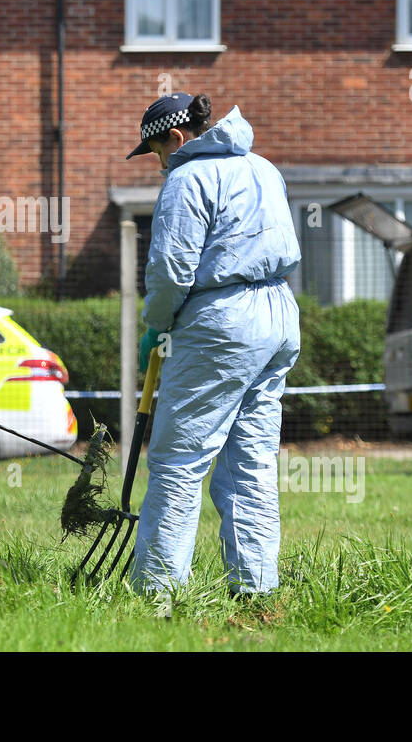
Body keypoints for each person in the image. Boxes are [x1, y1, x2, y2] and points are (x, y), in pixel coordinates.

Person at [126, 92, 301, 596]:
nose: (159, 164)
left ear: (176, 139)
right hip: (279, 314)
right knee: (252, 462)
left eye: (157, 152)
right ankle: (256, 588)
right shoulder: (263, 168)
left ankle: (157, 594)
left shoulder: (187, 178)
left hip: (222, 323)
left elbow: (170, 270)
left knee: (179, 459)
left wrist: (155, 327)